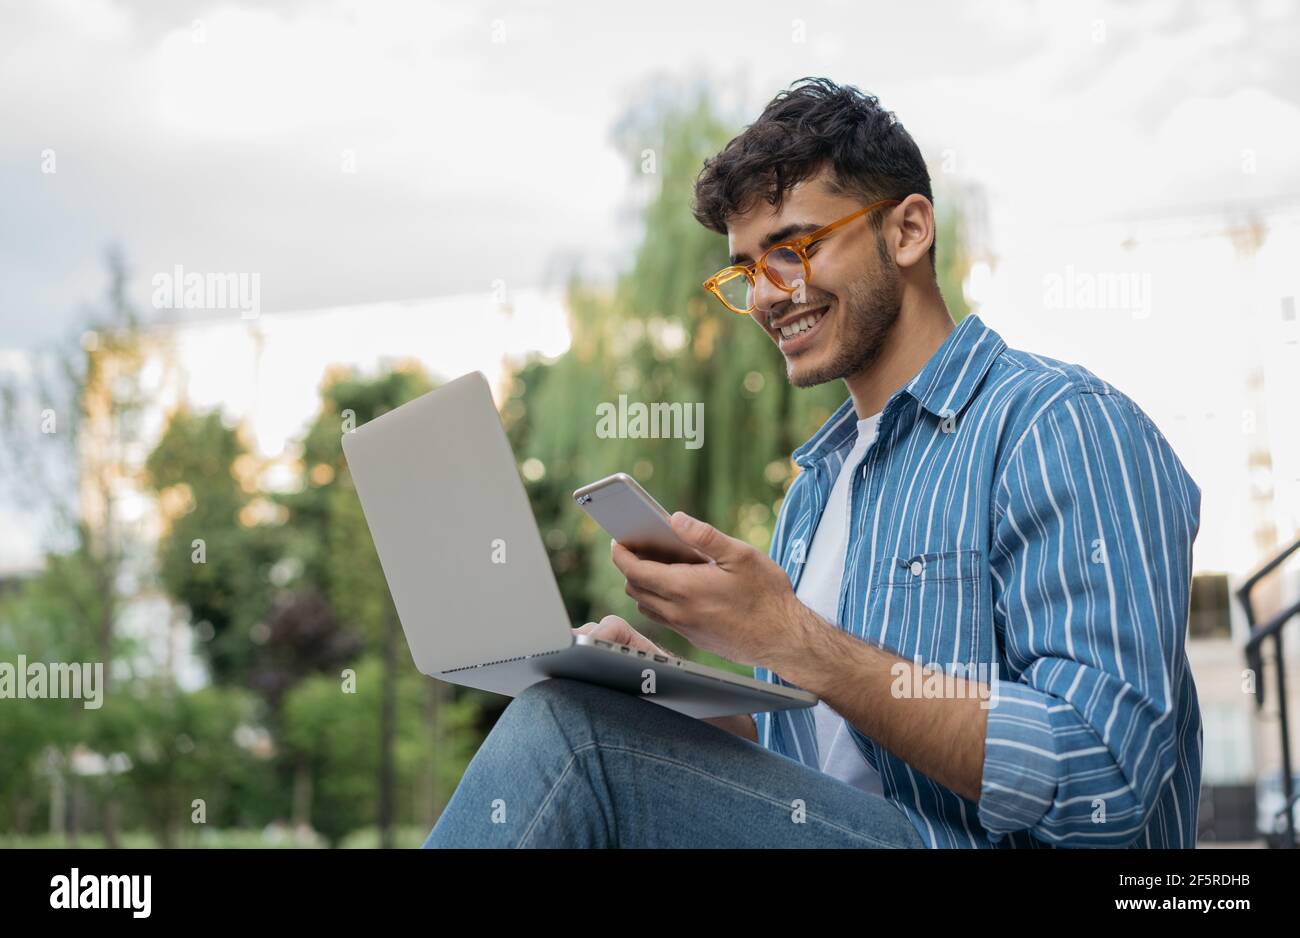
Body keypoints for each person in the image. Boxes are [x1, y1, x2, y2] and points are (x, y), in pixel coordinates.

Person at [424, 77, 1202, 849]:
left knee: (573, 735)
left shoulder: (1058, 423)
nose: (768, 295)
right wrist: (671, 694)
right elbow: (812, 781)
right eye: (747, 269)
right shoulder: (817, 489)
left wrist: (790, 636)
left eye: (795, 249)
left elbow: (1106, 776)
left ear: (907, 231)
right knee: (592, 712)